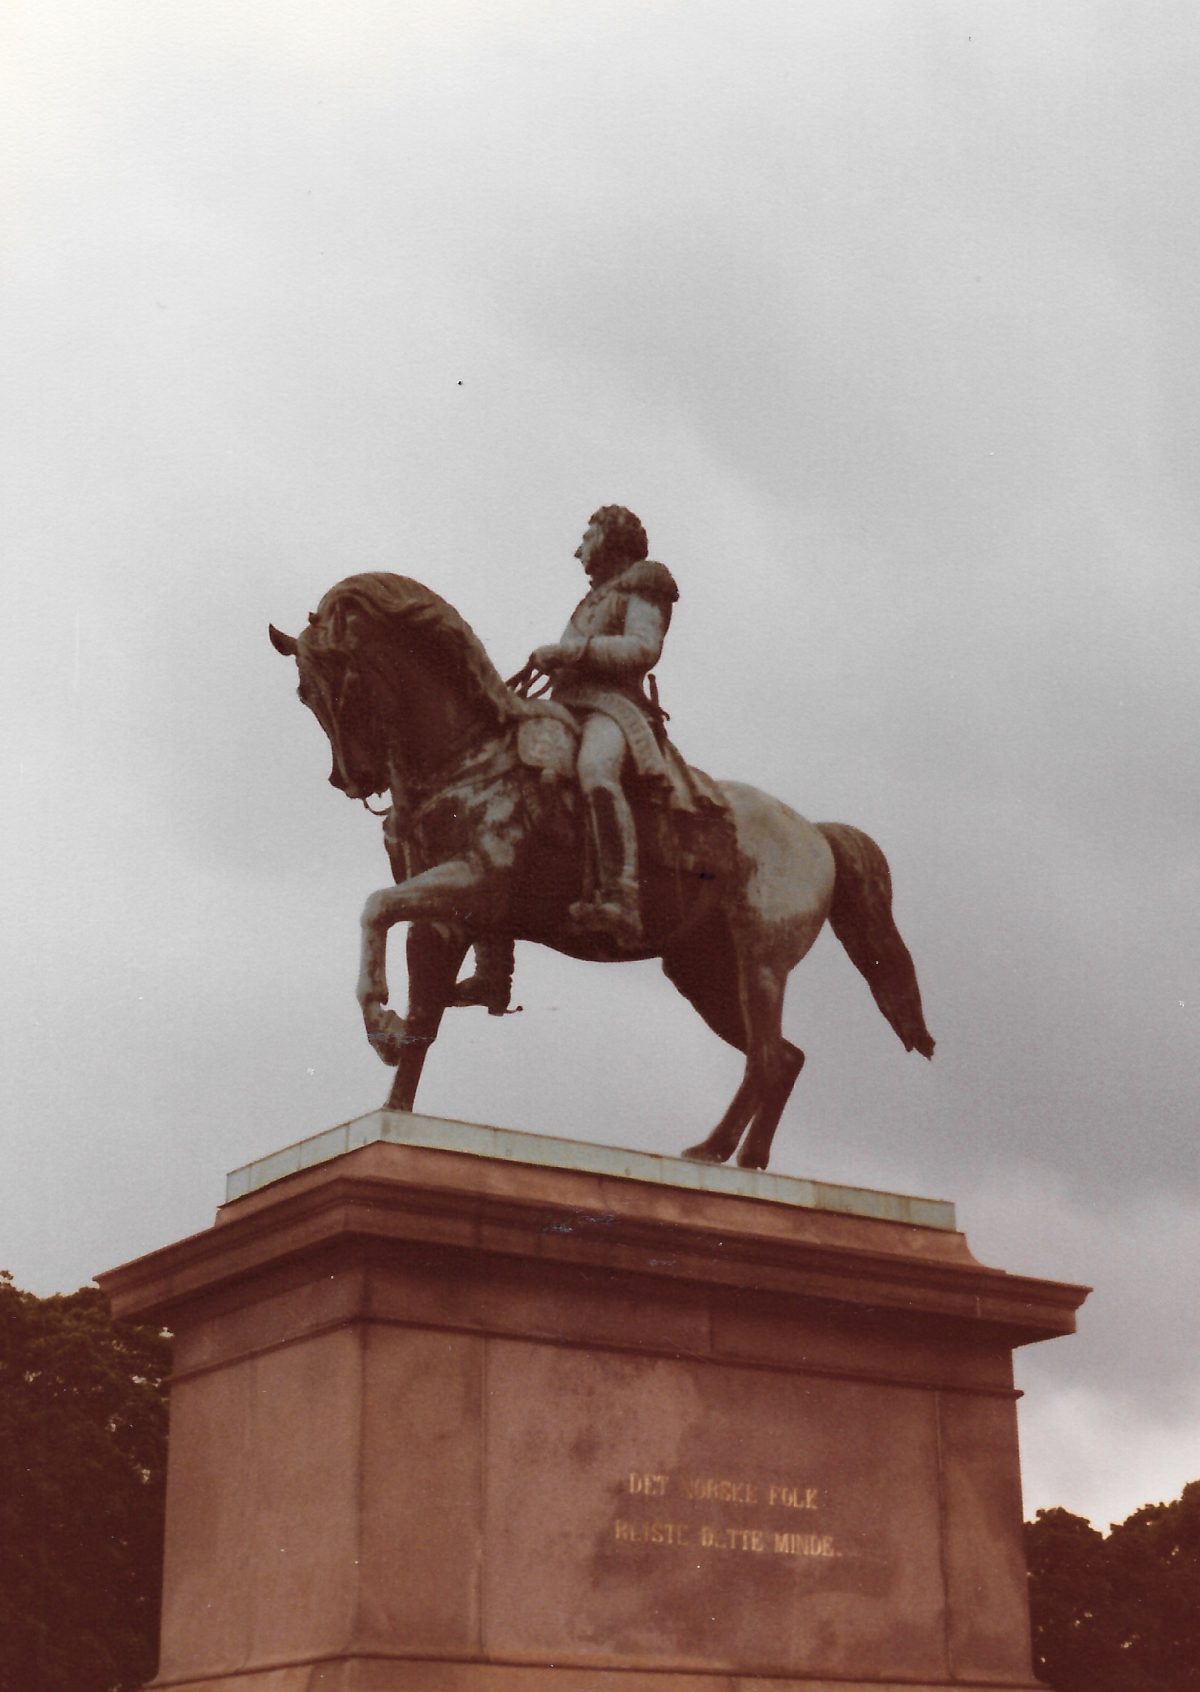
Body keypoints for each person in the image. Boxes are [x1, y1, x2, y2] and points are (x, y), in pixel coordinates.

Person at [526, 504, 679, 949]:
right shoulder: (591, 600)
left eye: (587, 537)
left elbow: (642, 648)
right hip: (567, 706)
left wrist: (569, 654)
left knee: (596, 770)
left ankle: (621, 896)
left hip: (614, 708)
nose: (578, 550)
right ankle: (493, 968)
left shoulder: (646, 584)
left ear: (612, 539)